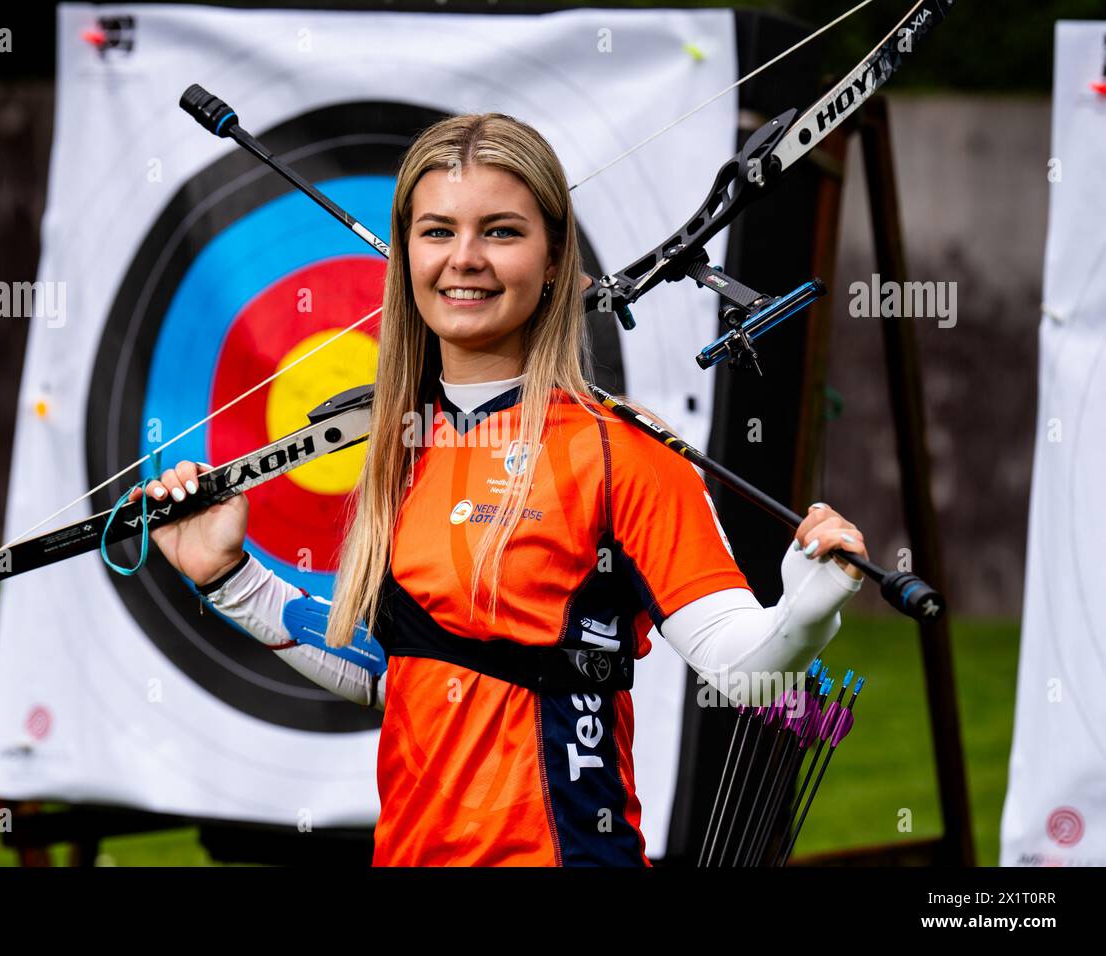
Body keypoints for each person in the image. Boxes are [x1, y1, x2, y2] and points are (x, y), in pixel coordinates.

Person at [127, 112, 866, 867]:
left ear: (554, 261)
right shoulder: (401, 447)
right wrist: (229, 579)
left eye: (502, 232)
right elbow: (406, 675)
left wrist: (803, 615)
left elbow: (741, 672)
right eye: (438, 231)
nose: (465, 260)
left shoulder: (622, 449)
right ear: (406, 251)